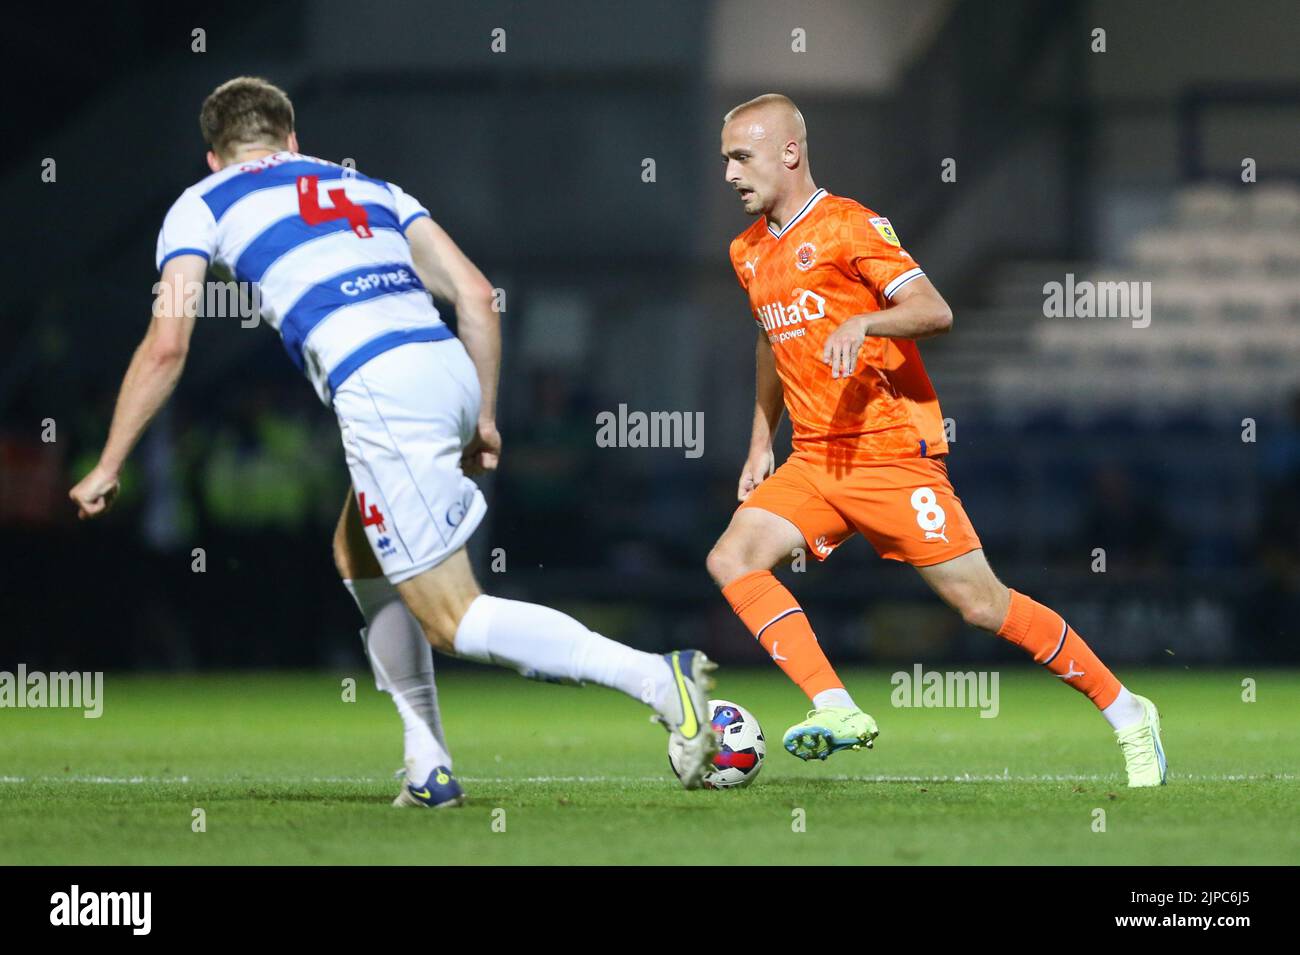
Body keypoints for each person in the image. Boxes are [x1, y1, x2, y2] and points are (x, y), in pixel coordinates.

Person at [69, 76, 718, 806]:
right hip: (444, 363)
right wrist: (485, 417)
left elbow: (166, 346)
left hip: (381, 390)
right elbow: (474, 294)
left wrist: (110, 460)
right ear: (292, 141)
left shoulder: (202, 201)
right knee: (356, 549)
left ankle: (660, 679)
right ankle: (427, 761)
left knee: (451, 616)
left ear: (213, 157)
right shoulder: (369, 186)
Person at [707, 93, 1166, 787]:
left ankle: (1128, 710)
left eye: (741, 157)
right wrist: (756, 442)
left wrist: (867, 324)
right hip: (816, 458)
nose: (731, 174)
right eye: (725, 161)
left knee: (982, 605)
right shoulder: (747, 251)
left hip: (889, 450)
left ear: (789, 153)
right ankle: (834, 705)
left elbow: (933, 309)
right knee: (733, 557)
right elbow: (772, 342)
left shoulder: (848, 227)